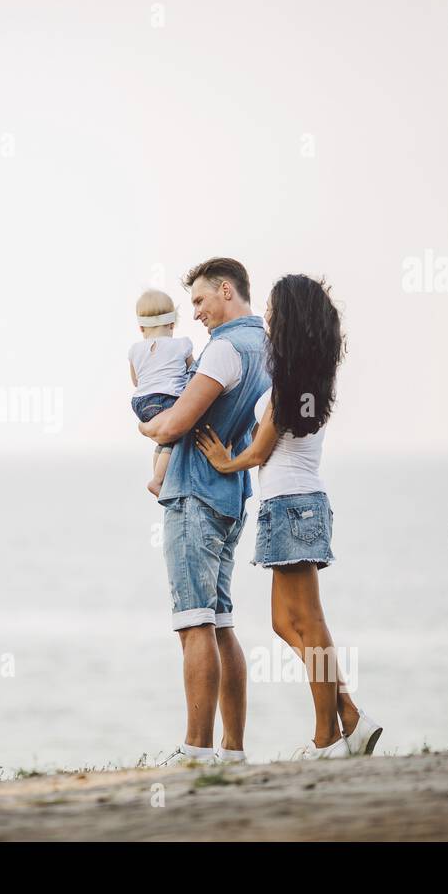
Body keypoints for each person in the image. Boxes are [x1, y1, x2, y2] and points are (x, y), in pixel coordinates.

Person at [193, 273, 383, 759]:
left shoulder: (291, 386)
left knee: (308, 623)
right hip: (299, 505)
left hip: (291, 505)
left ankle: (329, 736)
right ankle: (349, 715)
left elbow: (259, 452)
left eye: (275, 313)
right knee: (286, 621)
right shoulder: (307, 378)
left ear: (291, 320)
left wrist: (223, 462)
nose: (269, 320)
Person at [138, 258, 270, 764]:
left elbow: (175, 423)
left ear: (224, 290)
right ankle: (232, 751)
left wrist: (150, 428)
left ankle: (196, 750)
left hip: (195, 494)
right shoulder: (266, 347)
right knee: (220, 622)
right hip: (231, 491)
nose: (194, 314)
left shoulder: (225, 349)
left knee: (193, 622)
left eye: (198, 301)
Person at [128, 289, 194, 496]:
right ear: (172, 324)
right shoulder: (181, 344)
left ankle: (157, 478)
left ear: (141, 328)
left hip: (140, 401)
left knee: (163, 440)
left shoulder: (134, 350)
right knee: (175, 437)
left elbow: (136, 380)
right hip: (167, 398)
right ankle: (157, 480)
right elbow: (194, 374)